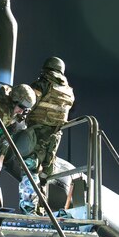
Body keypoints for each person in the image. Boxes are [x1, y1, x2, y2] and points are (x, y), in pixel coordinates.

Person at [15, 57, 75, 213]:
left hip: (38, 132)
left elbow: (29, 103)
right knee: (45, 173)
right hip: (55, 135)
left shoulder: (42, 84)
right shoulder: (68, 90)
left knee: (30, 168)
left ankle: (29, 209)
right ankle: (41, 208)